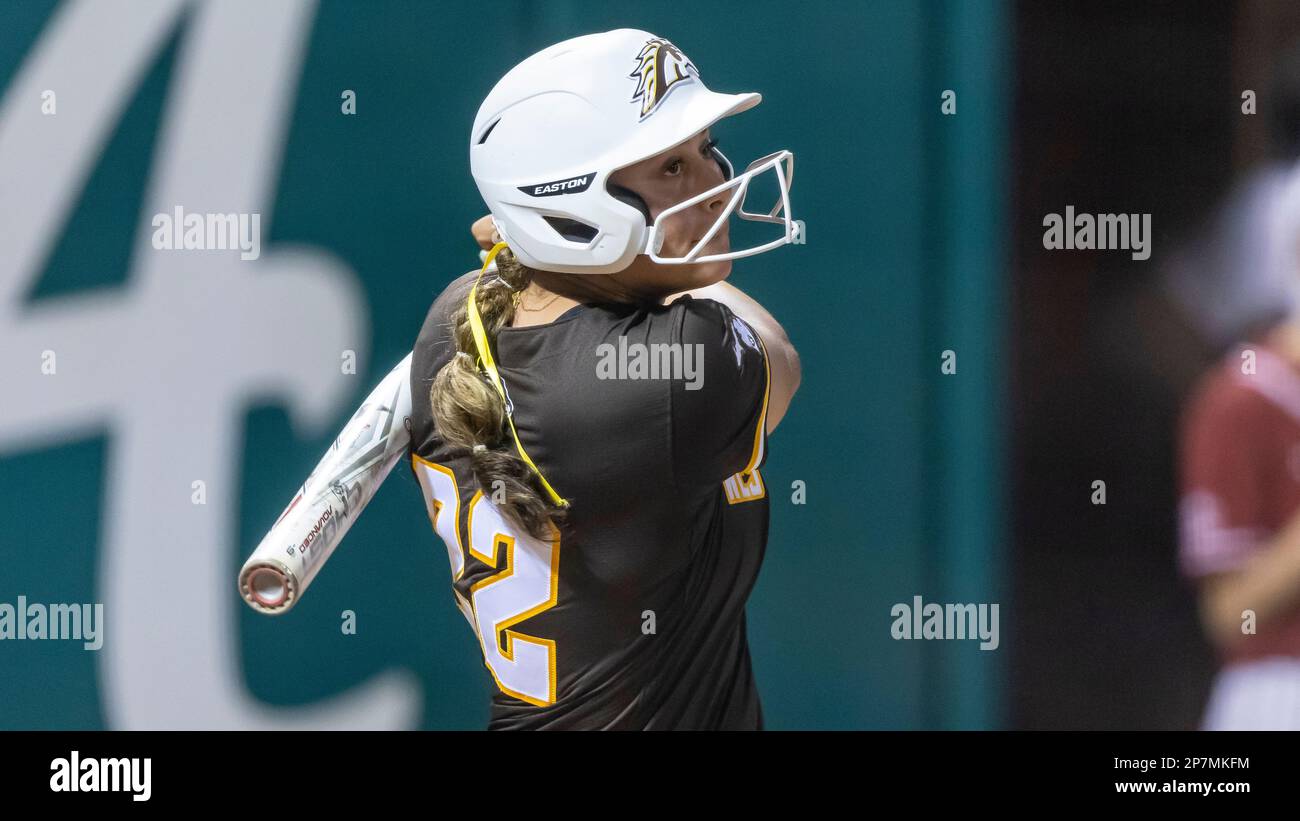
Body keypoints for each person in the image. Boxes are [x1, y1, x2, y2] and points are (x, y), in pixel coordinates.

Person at [405, 28, 802, 729]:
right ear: (575, 210)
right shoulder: (670, 374)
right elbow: (779, 356)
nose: (715, 186)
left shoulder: (455, 321)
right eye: (671, 169)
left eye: (704, 149)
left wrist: (532, 242)